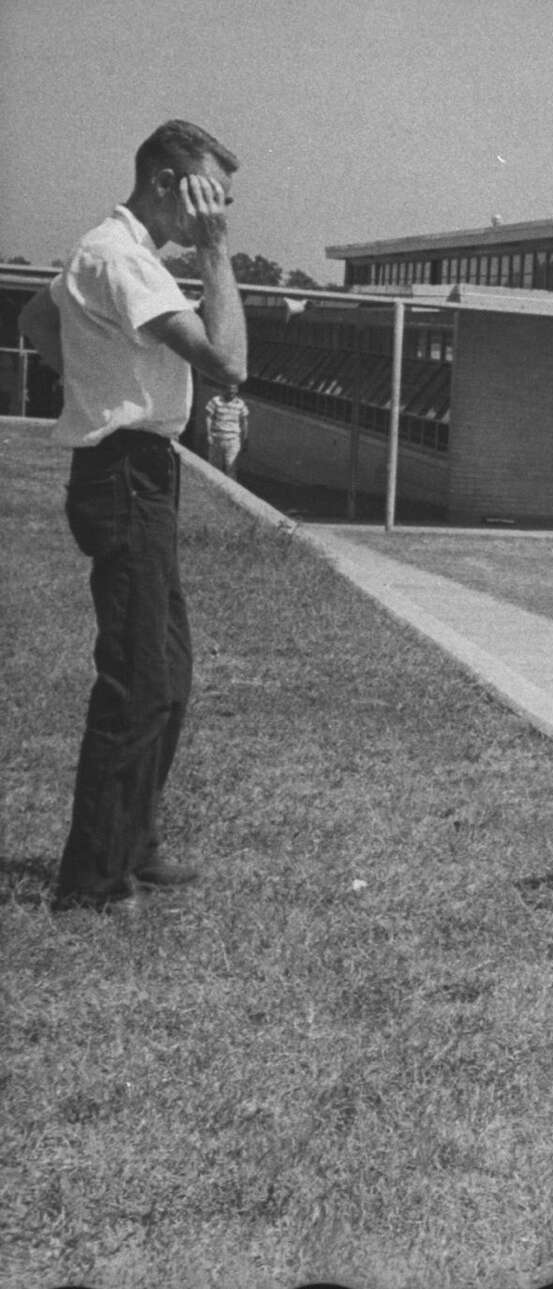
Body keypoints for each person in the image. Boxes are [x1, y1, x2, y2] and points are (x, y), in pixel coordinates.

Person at [19, 120, 248, 913]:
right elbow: (228, 361)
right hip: (124, 475)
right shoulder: (119, 256)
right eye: (207, 196)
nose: (215, 213)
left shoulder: (120, 256)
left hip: (142, 473)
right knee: (138, 681)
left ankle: (133, 842)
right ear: (164, 184)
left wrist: (88, 375)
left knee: (168, 674)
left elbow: (35, 324)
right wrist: (216, 256)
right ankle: (89, 880)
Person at [203, 382, 249, 476]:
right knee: (214, 468)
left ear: (237, 390)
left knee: (231, 467)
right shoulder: (215, 401)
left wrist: (245, 439)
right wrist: (208, 435)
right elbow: (208, 417)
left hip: (233, 441)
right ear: (224, 389)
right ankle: (213, 488)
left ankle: (230, 488)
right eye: (229, 389)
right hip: (216, 439)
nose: (231, 392)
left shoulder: (240, 404)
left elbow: (244, 422)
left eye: (233, 389)